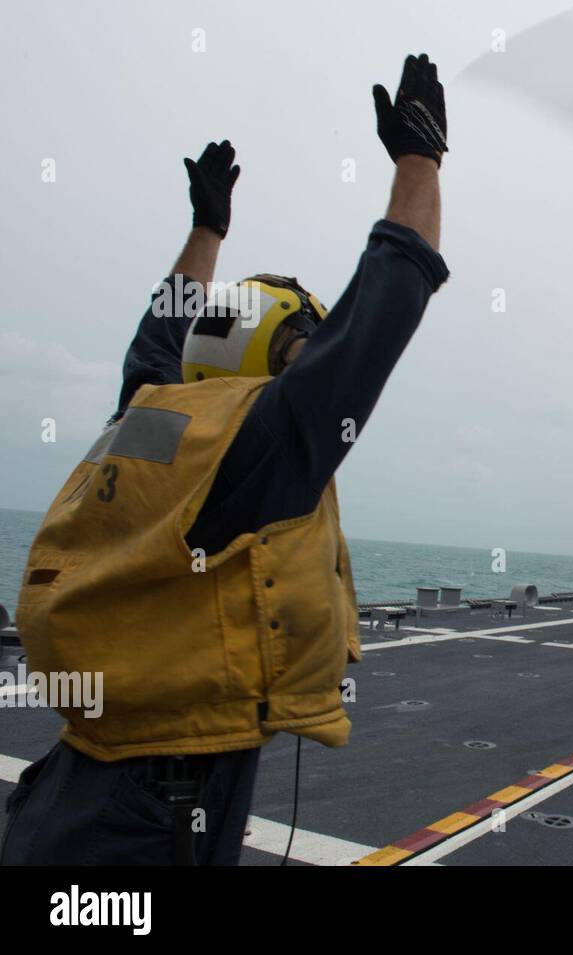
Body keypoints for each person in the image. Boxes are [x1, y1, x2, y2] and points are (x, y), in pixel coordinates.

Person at [1, 54, 450, 866]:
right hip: (153, 816)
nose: (312, 362)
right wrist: (420, 158)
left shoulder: (144, 416)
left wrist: (206, 230)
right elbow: (390, 297)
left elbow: (158, 336)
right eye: (301, 346)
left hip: (75, 786)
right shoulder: (252, 451)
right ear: (276, 358)